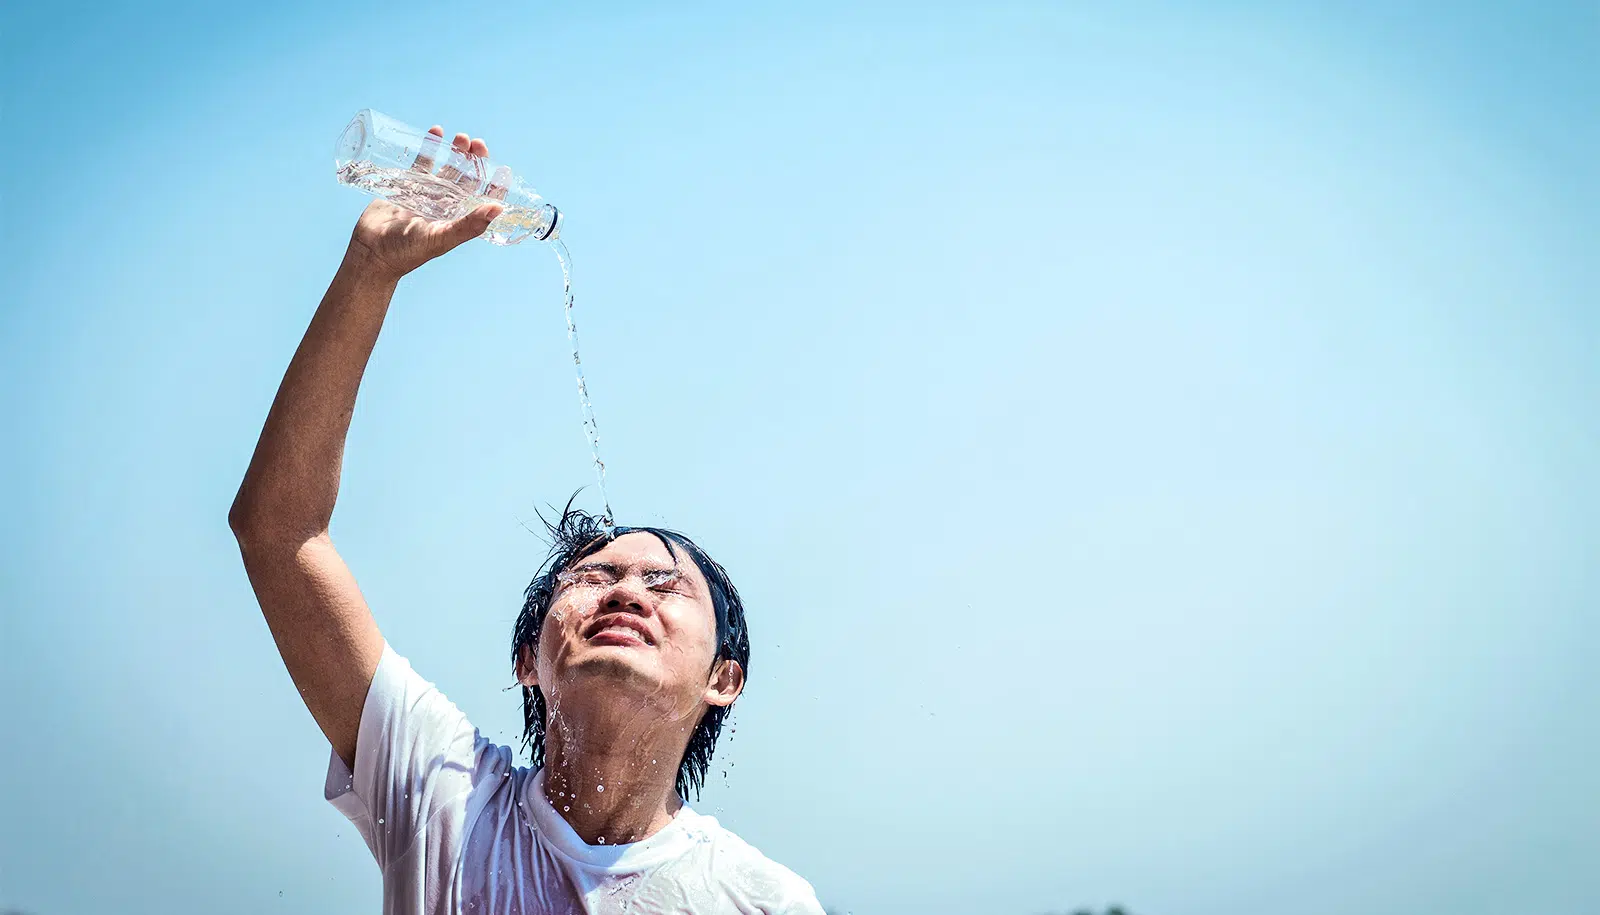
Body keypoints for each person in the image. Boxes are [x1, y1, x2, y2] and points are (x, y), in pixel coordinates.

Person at [228, 124, 824, 915]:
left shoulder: (761, 899)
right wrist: (369, 270)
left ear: (725, 678)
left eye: (664, 584)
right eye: (592, 577)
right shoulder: (445, 794)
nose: (626, 592)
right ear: (528, 660)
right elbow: (278, 531)